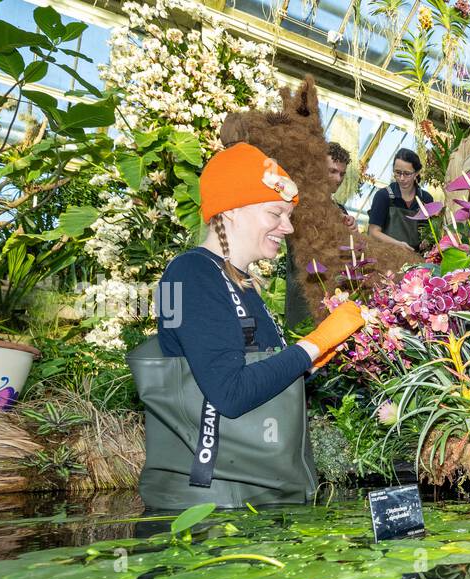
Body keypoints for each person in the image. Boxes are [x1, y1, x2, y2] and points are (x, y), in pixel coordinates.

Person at [128, 142, 368, 510]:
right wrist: (313, 345)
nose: (286, 227)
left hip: (249, 496)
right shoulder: (190, 273)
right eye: (275, 213)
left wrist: (311, 361)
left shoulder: (239, 283)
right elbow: (230, 393)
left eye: (288, 215)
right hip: (210, 512)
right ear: (232, 211)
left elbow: (247, 370)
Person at [283, 140, 359, 328]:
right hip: (304, 300)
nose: (338, 179)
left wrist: (351, 234)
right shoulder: (298, 201)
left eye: (341, 173)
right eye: (332, 171)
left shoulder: (340, 209)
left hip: (333, 301)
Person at [367, 147, 434, 255]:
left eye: (407, 174)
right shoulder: (383, 196)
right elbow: (373, 232)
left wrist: (427, 241)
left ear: (416, 173)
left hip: (415, 261)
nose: (401, 178)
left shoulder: (426, 199)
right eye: (398, 172)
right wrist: (397, 244)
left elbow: (429, 231)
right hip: (386, 257)